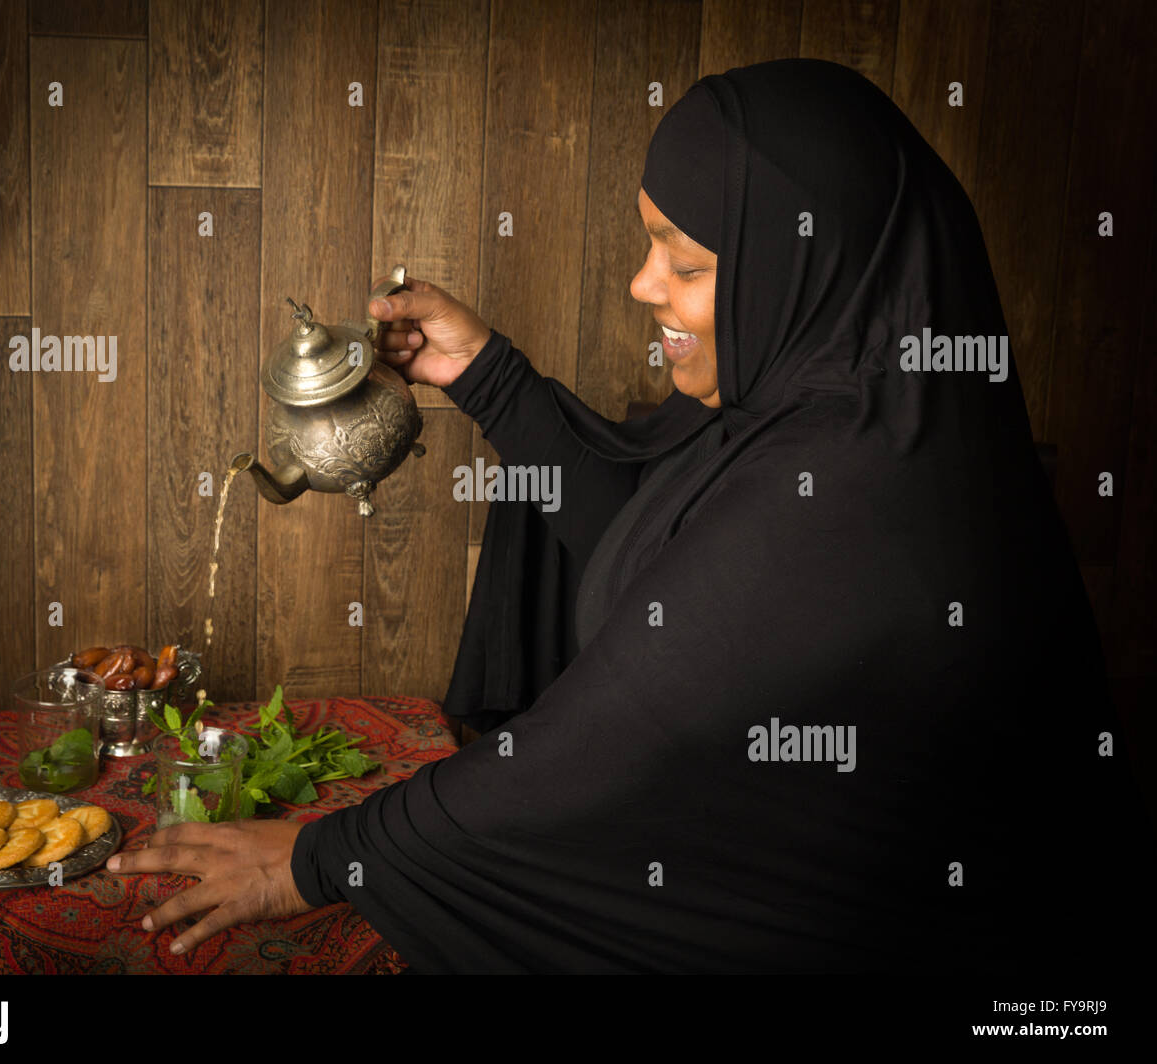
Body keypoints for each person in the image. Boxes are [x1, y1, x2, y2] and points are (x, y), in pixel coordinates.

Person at [111, 59, 1154, 973]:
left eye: (686, 263)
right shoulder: (834, 404)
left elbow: (595, 746)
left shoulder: (850, 500)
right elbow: (655, 546)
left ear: (801, 268)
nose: (639, 282)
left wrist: (319, 857)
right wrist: (488, 376)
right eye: (648, 242)